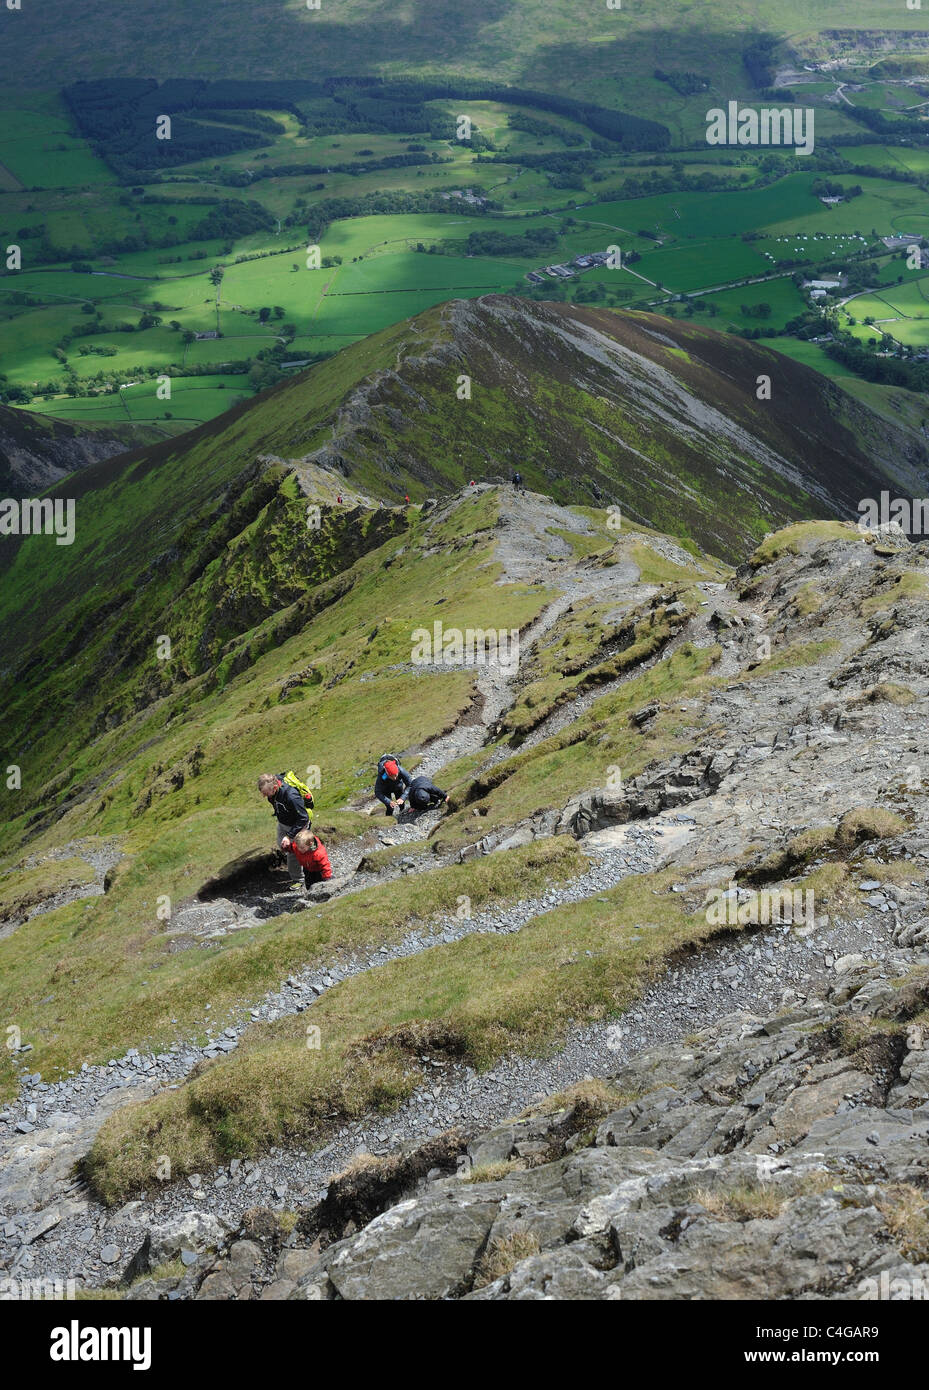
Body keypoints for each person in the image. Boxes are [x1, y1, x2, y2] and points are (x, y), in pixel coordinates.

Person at [257, 772, 310, 885]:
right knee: (283, 845)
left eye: (266, 793)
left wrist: (289, 835)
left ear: (275, 787)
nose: (264, 796)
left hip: (297, 825)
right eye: (263, 793)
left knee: (293, 852)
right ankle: (304, 864)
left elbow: (303, 818)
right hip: (283, 823)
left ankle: (299, 879)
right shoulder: (273, 784)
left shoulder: (291, 796)